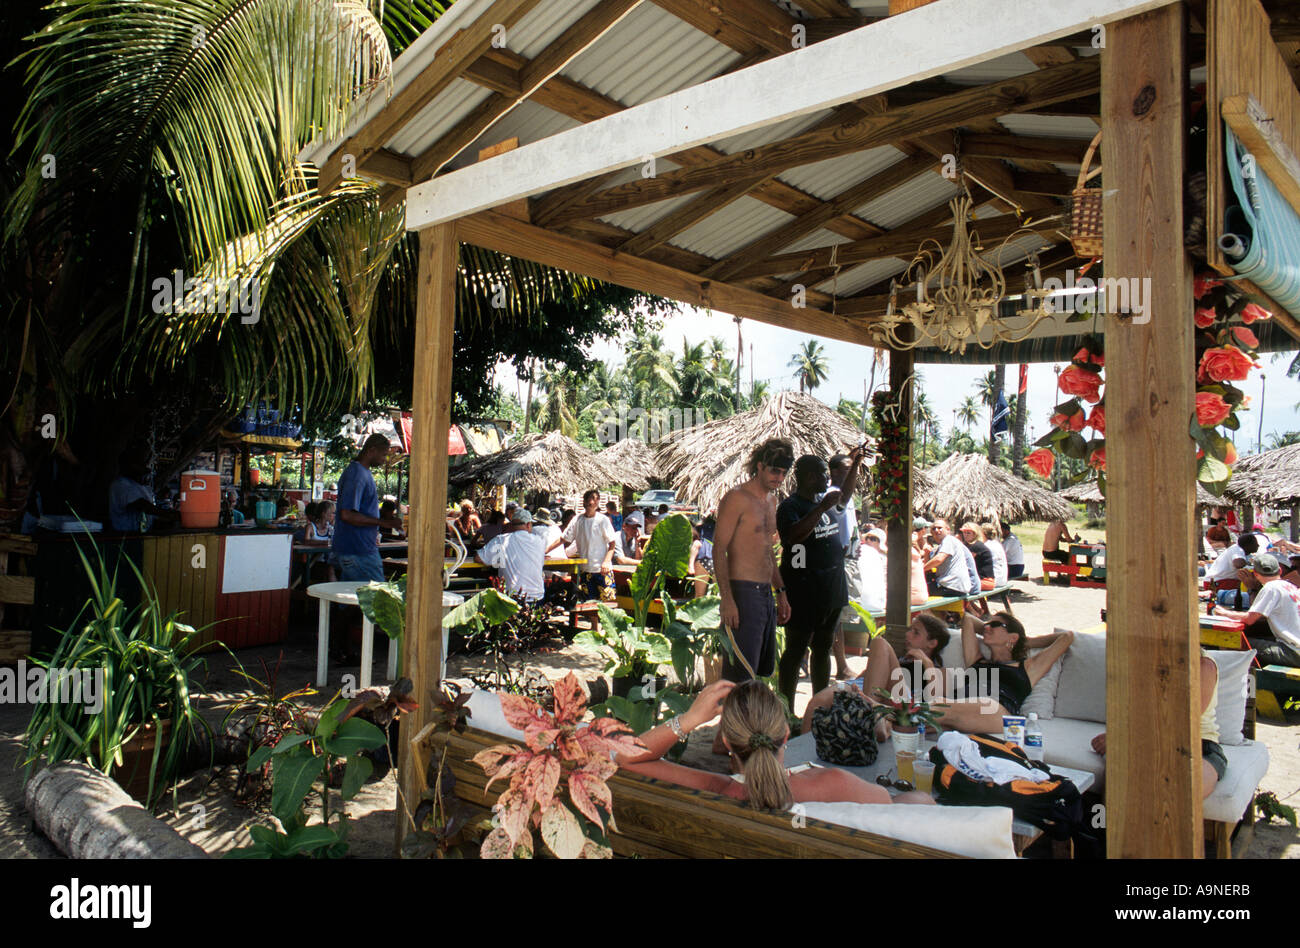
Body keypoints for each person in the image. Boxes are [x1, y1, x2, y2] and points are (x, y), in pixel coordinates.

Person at [617, 679, 934, 808]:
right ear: (786, 734)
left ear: (726, 741)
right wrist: (919, 796)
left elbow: (626, 757)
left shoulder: (714, 788)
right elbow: (897, 810)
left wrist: (689, 718)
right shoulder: (833, 785)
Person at [712, 438, 795, 735]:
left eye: (784, 472)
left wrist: (781, 592)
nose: (779, 478)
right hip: (742, 590)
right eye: (774, 471)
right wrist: (727, 599)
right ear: (759, 466)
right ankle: (725, 737)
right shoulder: (737, 498)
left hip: (764, 594)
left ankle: (736, 735)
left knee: (758, 673)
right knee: (739, 673)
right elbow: (718, 549)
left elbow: (767, 552)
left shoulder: (772, 501)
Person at [776, 447, 866, 710]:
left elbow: (846, 494)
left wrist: (857, 463)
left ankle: (820, 706)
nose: (827, 479)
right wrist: (821, 509)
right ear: (806, 477)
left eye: (827, 474)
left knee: (823, 648)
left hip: (831, 589)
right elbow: (793, 537)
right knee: (795, 650)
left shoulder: (824, 502)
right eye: (821, 474)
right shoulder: (791, 507)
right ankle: (787, 710)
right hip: (804, 591)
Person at [1091, 654, 1225, 797]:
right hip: (1150, 741)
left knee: (1187, 790)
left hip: (1199, 746)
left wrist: (1126, 739)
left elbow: (1184, 721)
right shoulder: (1149, 662)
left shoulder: (1204, 665)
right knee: (1123, 779)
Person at [802, 613, 952, 736]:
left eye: (916, 632)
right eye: (910, 629)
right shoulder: (898, 659)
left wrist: (926, 662)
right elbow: (864, 677)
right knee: (818, 702)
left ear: (932, 643)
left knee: (879, 643)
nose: (908, 634)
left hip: (901, 705)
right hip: (870, 692)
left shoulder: (938, 669)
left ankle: (868, 717)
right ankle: (800, 763)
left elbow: (937, 704)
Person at [928, 612, 1073, 733]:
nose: (987, 628)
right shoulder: (976, 660)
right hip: (959, 707)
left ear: (1013, 637)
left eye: (996, 625)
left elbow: (1067, 637)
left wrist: (1025, 642)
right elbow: (968, 619)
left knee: (934, 709)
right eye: (986, 625)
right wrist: (989, 629)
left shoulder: (1028, 667)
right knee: (921, 722)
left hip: (996, 712)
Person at [332, 433, 404, 583]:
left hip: (357, 549)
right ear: (372, 450)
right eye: (383, 455)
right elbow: (347, 515)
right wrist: (385, 523)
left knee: (352, 600)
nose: (384, 460)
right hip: (358, 551)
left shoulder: (361, 472)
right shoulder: (356, 474)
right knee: (379, 601)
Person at [1213, 554, 1300, 668]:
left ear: (1255, 573)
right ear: (1279, 570)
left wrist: (1224, 613)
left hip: (1293, 652)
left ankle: (1238, 681)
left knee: (1232, 642)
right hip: (1294, 647)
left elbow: (1250, 619)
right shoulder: (1289, 586)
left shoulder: (1271, 588)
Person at [547, 489, 616, 600]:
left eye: (594, 499)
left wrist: (607, 562)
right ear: (583, 502)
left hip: (602, 570)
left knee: (607, 604)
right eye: (588, 499)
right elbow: (562, 539)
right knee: (588, 604)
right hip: (585, 570)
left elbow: (612, 544)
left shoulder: (603, 520)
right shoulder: (577, 520)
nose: (591, 502)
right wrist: (545, 551)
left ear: (598, 502)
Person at [829, 453, 861, 681]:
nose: (853, 473)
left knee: (838, 615)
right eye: (847, 470)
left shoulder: (848, 497)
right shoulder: (834, 494)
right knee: (835, 617)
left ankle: (841, 664)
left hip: (847, 561)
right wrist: (856, 463)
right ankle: (841, 665)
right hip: (836, 561)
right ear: (833, 472)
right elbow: (843, 494)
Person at [478, 508, 547, 603]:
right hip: (537, 597)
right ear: (528, 524)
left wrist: (498, 558)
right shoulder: (540, 541)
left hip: (511, 599)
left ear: (510, 525)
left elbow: (479, 558)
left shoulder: (501, 540)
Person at [108, 443, 179, 533]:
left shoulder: (141, 486)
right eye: (139, 464)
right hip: (125, 536)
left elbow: (148, 517)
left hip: (140, 535)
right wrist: (170, 515)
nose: (144, 467)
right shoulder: (120, 484)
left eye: (144, 464)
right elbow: (143, 506)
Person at [924, 518, 972, 599]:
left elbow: (939, 559)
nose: (936, 530)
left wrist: (921, 569)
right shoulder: (942, 545)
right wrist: (926, 553)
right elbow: (931, 564)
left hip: (951, 586)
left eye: (940, 528)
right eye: (933, 528)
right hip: (956, 587)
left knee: (916, 591)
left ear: (948, 530)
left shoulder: (948, 540)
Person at [856, 528, 887, 613]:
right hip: (880, 605)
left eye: (873, 539)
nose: (868, 540)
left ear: (879, 543)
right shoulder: (881, 556)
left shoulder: (883, 558)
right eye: (867, 538)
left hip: (864, 605)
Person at [960, 522, 996, 589]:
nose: (965, 535)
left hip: (985, 581)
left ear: (975, 534)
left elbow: (964, 562)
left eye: (968, 533)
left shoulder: (976, 546)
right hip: (979, 580)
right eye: (964, 532)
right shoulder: (968, 545)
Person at [981, 522, 1008, 587]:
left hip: (994, 580)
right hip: (1003, 579)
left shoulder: (985, 546)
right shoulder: (997, 544)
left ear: (983, 534)